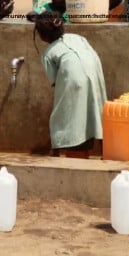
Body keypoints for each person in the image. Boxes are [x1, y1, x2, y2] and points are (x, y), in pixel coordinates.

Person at [34, 11, 107, 158]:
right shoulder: (79, 38)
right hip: (95, 74)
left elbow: (56, 82)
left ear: (43, 36)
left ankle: (65, 151)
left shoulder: (48, 54)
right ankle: (106, 152)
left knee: (69, 116)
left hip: (74, 81)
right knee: (97, 112)